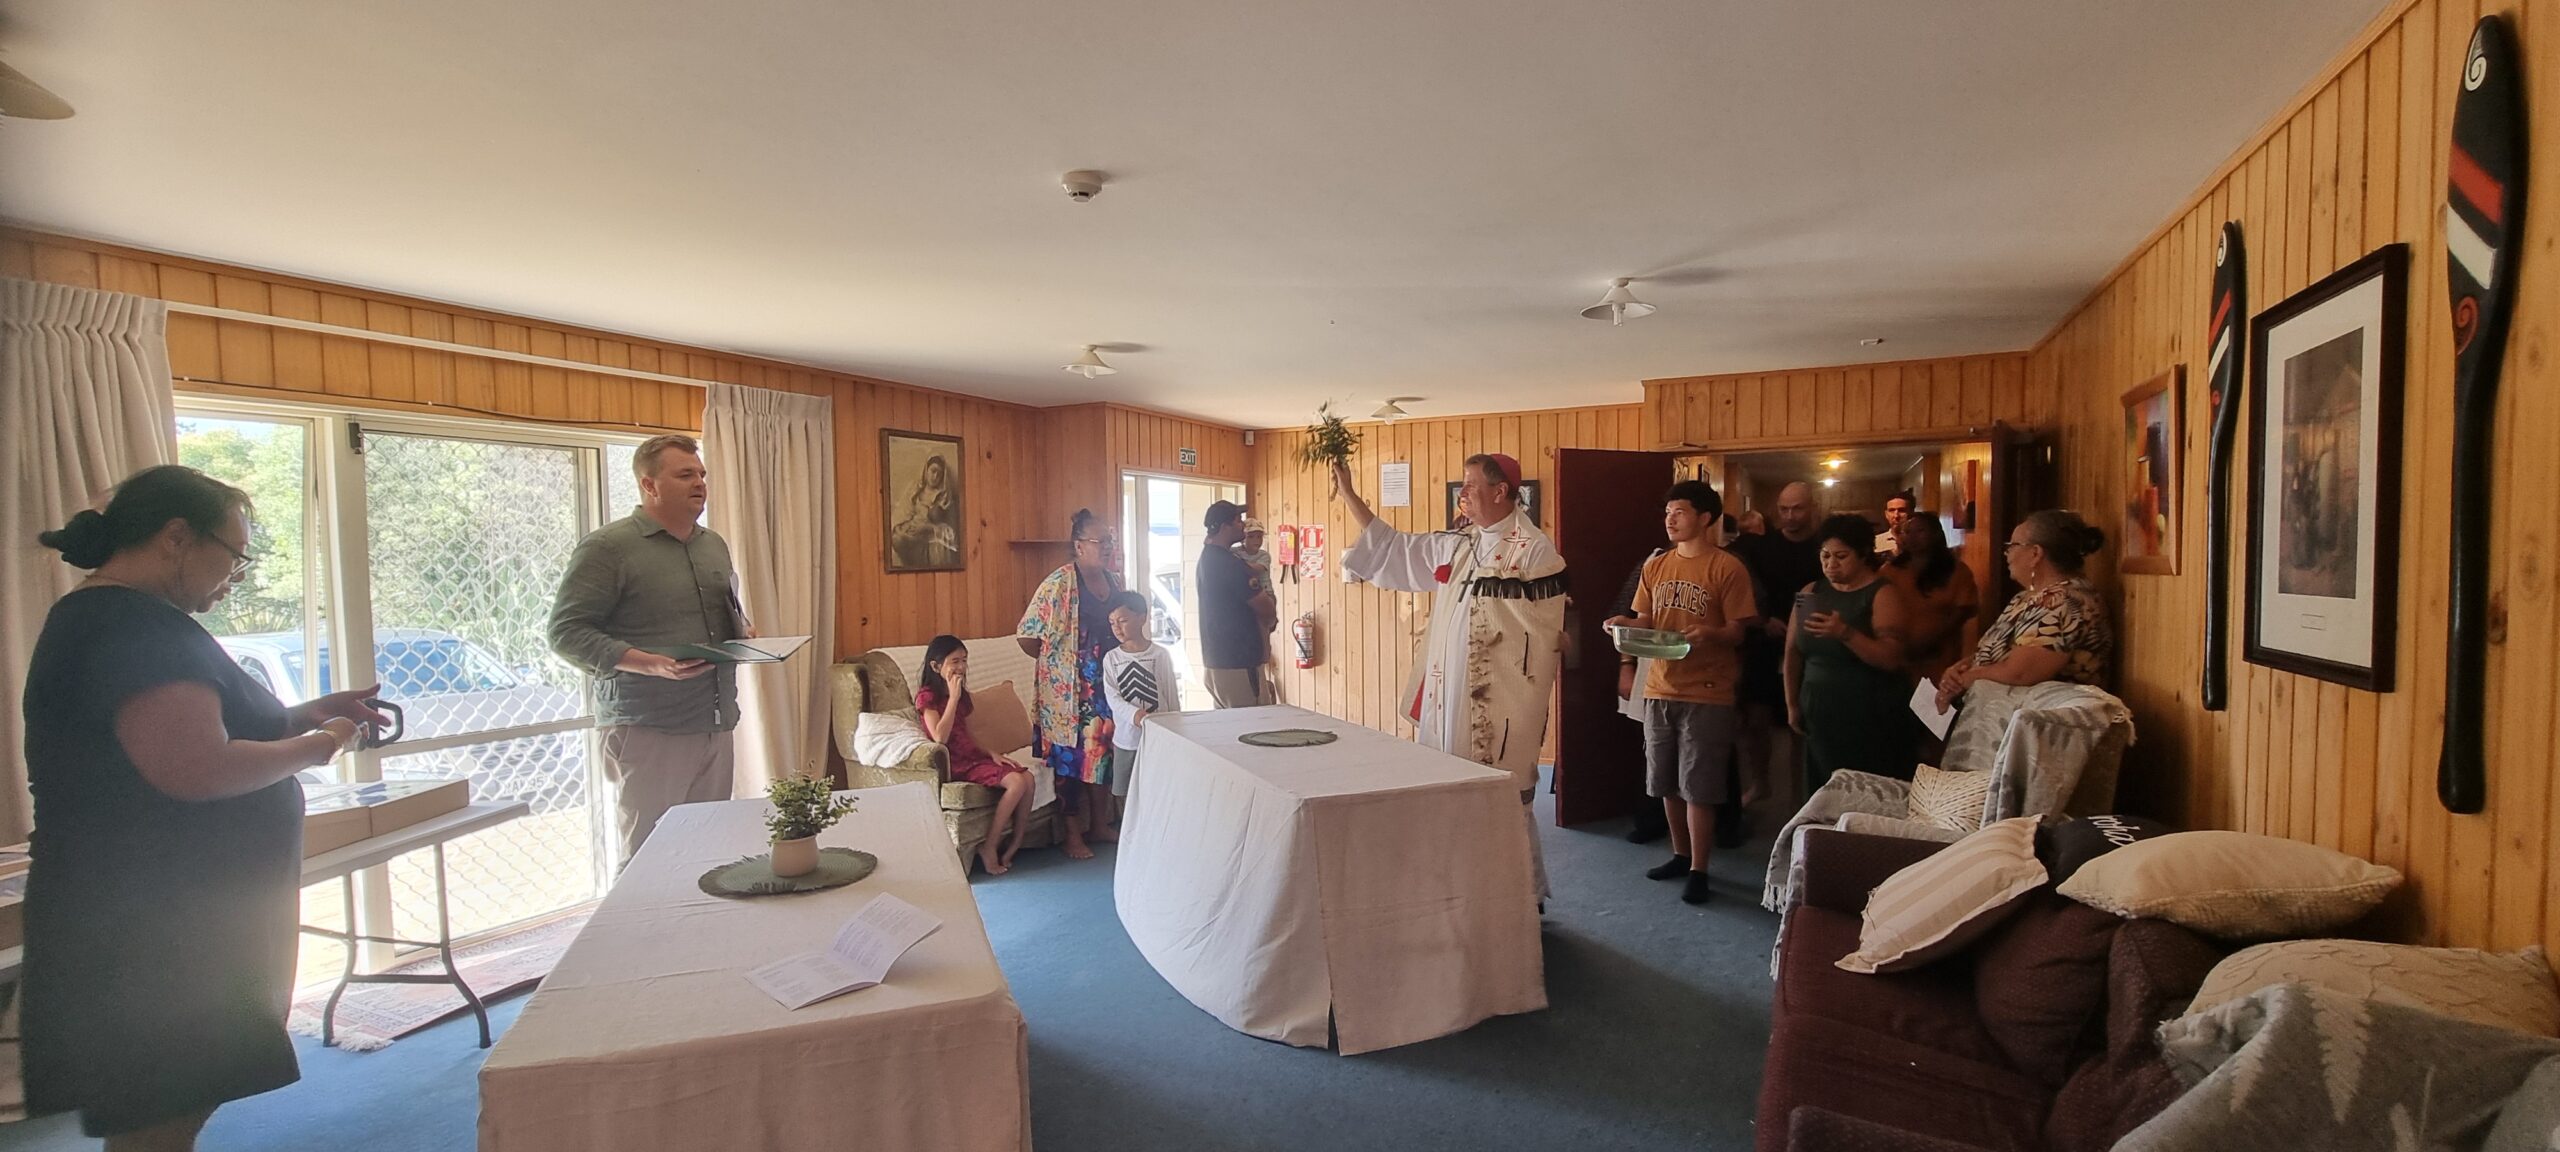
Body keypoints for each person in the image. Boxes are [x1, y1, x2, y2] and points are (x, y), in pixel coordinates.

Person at [22, 465, 389, 1150]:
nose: (236, 576)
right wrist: (322, 744)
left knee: (168, 1115)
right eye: (234, 555)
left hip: (166, 915)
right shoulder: (130, 627)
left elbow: (187, 733)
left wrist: (301, 714)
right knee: (159, 1119)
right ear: (176, 538)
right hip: (157, 932)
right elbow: (196, 768)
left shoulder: (125, 620)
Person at [1334, 453, 1567, 900]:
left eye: (1471, 484)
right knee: (1445, 781)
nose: (1463, 493)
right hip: (1448, 688)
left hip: (1500, 697)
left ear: (1500, 492)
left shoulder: (1534, 549)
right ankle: (1453, 887)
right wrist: (1348, 492)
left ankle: (1517, 896)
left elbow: (1544, 627)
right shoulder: (1460, 543)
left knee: (1499, 789)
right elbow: (1394, 546)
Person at [549, 434, 748, 867]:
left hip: (715, 720)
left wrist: (745, 633)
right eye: (685, 475)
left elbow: (725, 615)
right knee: (649, 860)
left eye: (701, 474)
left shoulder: (713, 544)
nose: (699, 483)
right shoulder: (608, 548)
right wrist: (649, 664)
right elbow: (566, 632)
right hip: (650, 726)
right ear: (649, 485)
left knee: (709, 856)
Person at [1607, 481, 1758, 904]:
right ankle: (1679, 854)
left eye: (1680, 511)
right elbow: (1646, 620)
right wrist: (1622, 625)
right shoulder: (1656, 566)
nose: (1670, 519)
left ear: (1705, 518)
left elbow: (1739, 630)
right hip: (1659, 686)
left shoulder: (1727, 567)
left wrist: (1711, 633)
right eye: (1667, 512)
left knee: (1699, 786)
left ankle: (1700, 869)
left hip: (1707, 691)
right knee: (1666, 781)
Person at [1016, 508, 1124, 860]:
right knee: (1069, 763)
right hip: (1066, 694)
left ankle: (1099, 825)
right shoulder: (1058, 582)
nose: (1107, 546)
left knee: (1101, 756)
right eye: (1100, 541)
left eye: (1110, 540)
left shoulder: (1114, 581)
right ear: (1079, 546)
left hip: (1104, 687)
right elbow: (1027, 634)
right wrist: (1056, 665)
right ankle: (1072, 836)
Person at [1785, 514, 1919, 793]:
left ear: (1863, 554)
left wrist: (1846, 633)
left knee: (1866, 788)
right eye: (1825, 556)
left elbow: (1891, 657)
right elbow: (1793, 652)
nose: (1830, 564)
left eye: (1841, 556)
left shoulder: (1882, 593)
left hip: (1868, 708)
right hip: (1819, 706)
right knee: (1823, 787)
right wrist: (1792, 703)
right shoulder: (1812, 591)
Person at [1936, 510, 2115, 711]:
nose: (2007, 554)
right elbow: (1998, 652)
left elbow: (2021, 673)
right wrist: (1962, 667)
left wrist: (1967, 678)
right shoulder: (2026, 597)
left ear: (2035, 553)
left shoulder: (2062, 601)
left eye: (2012, 546)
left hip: (2036, 721)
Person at [1726, 481, 1822, 820]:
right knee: (1755, 718)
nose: (1790, 515)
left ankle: (1799, 797)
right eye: (1784, 509)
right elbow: (1738, 581)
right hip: (1764, 640)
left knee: (1801, 723)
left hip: (1811, 642)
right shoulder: (1760, 546)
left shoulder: (1823, 547)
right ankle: (1761, 781)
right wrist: (1763, 619)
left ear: (1812, 508)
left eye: (1797, 508)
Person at [915, 635, 1036, 876]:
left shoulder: (962, 695)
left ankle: (1015, 843)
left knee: (1029, 779)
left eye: (964, 660)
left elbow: (967, 733)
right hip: (956, 762)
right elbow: (939, 737)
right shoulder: (927, 697)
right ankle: (989, 846)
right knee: (1016, 782)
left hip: (972, 755)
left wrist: (992, 754)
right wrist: (953, 698)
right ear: (936, 666)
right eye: (954, 661)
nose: (961, 667)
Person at [1101, 591, 1183, 805]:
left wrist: (1176, 728)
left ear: (1142, 618)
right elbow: (1113, 697)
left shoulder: (1159, 654)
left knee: (1158, 790)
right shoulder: (1112, 658)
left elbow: (1170, 695)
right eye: (1112, 623)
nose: (1117, 628)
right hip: (1127, 740)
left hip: (1158, 738)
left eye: (1123, 621)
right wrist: (1135, 715)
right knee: (1125, 794)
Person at [1881, 511, 1981, 683]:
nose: (1912, 537)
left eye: (1920, 531)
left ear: (1935, 534)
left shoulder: (1956, 570)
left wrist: (1930, 640)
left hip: (1939, 654)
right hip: (1899, 654)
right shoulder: (1890, 570)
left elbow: (1964, 610)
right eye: (1908, 532)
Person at [1197, 500, 1277, 707]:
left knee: (1229, 723)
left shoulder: (1207, 558)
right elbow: (1265, 607)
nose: (1242, 525)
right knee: (1252, 723)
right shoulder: (1228, 564)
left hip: (1218, 660)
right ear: (1225, 526)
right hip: (1238, 662)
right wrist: (1270, 621)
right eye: (1238, 520)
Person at [890, 454, 961, 569]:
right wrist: (901, 527)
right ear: (926, 471)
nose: (935, 476)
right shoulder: (915, 491)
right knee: (896, 539)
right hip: (912, 535)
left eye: (939, 474)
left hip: (930, 539)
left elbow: (952, 533)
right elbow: (903, 514)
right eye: (933, 471)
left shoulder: (945, 498)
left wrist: (929, 528)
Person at [1876, 489, 1916, 555]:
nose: (1896, 516)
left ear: (1912, 512)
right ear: (1886, 514)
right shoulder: (1876, 542)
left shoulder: (1920, 542)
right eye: (1891, 510)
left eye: (1901, 510)